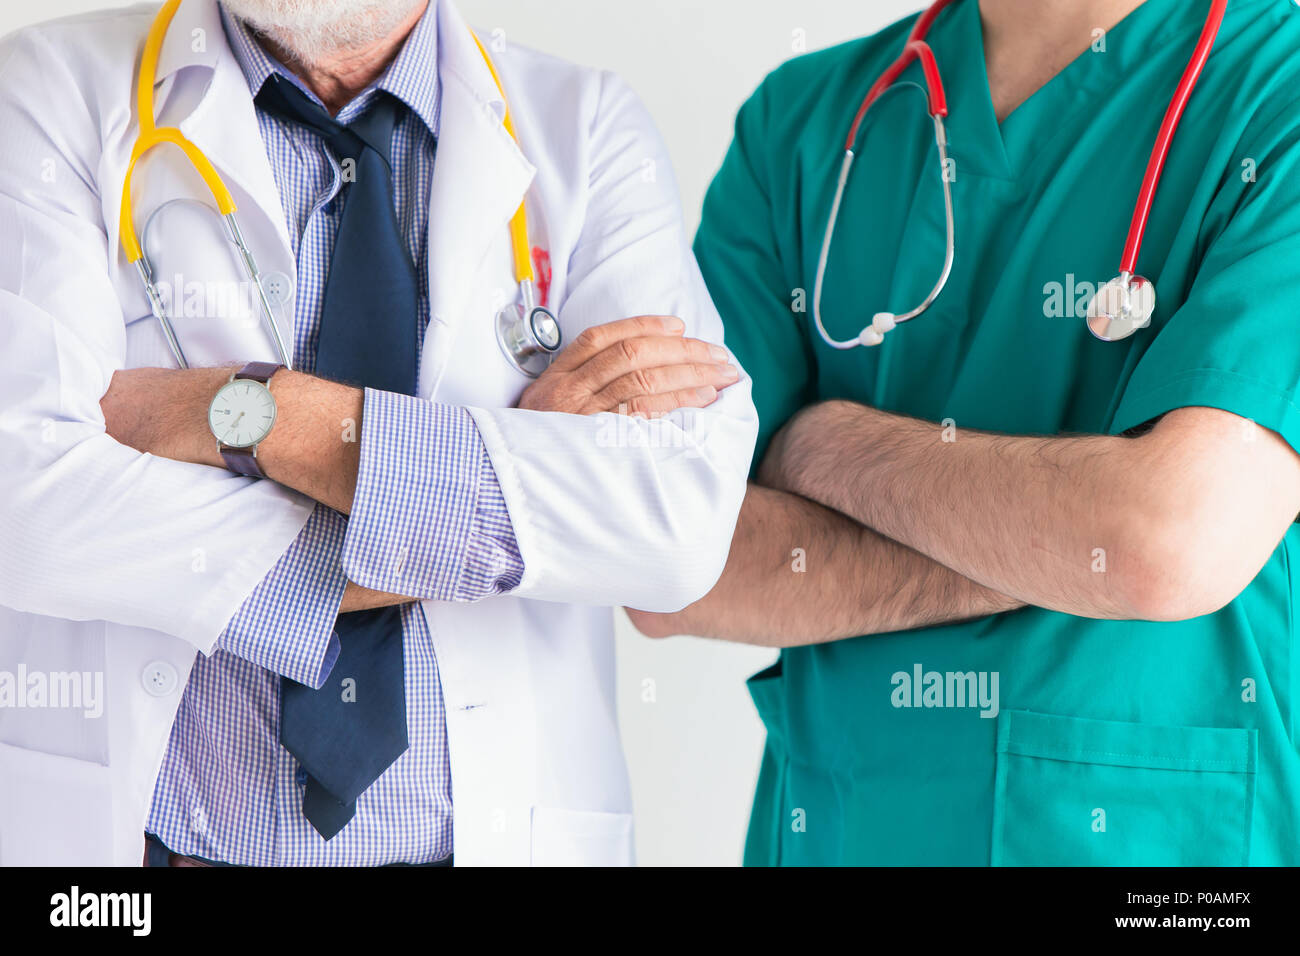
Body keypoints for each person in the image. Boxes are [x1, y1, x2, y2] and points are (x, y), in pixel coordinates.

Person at [0, 0, 756, 866]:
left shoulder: (586, 127)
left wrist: (245, 412)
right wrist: (500, 483)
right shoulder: (48, 91)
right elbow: (28, 508)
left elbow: (675, 524)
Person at [630, 0, 1300, 866]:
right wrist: (1067, 537)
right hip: (847, 828)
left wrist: (825, 445)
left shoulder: (1272, 94)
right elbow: (669, 568)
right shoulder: (802, 123)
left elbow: (1172, 539)